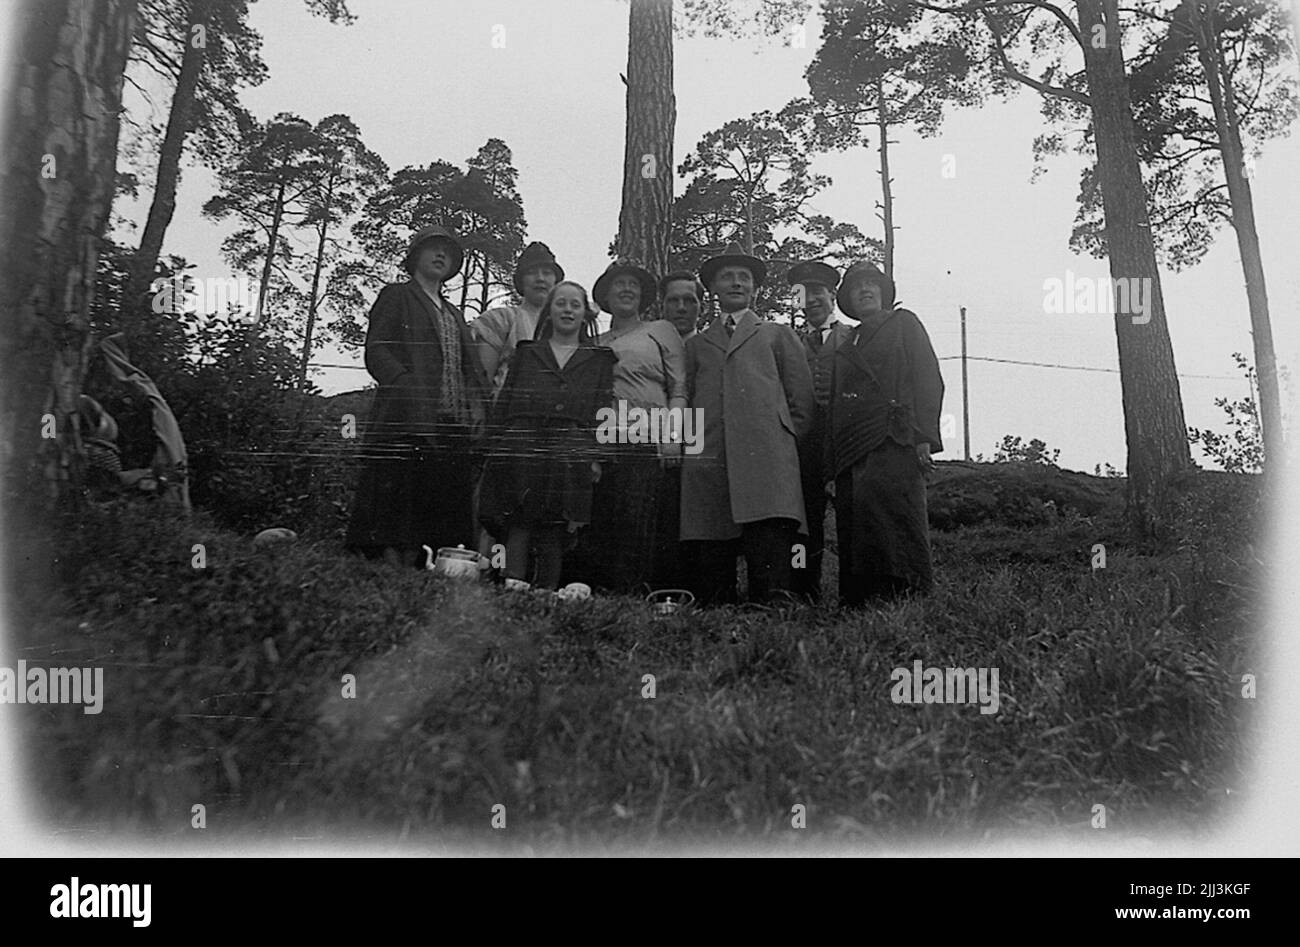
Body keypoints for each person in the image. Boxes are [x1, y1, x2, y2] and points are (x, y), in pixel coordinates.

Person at [679, 243, 815, 605]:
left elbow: (801, 400)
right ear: (713, 289)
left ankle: (771, 609)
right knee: (711, 539)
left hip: (767, 456)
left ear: (755, 288)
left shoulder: (776, 334)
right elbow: (687, 396)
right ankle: (715, 610)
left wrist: (780, 440)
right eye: (727, 277)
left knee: (769, 538)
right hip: (709, 455)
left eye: (744, 278)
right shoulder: (697, 344)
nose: (736, 283)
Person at [345, 225, 487, 568]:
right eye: (433, 249)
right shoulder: (397, 295)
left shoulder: (454, 313)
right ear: (415, 257)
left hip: (451, 424)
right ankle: (386, 564)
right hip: (406, 418)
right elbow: (377, 351)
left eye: (447, 252)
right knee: (397, 497)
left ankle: (428, 568)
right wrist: (404, 385)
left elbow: (469, 367)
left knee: (443, 502)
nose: (441, 255)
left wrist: (478, 406)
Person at [478, 282, 615, 591]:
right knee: (519, 518)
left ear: (585, 314)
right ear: (550, 312)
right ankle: (513, 586)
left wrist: (595, 455)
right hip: (522, 443)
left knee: (556, 522)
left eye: (575, 305)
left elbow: (602, 408)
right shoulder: (527, 353)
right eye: (561, 304)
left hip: (570, 448)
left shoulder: (599, 359)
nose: (567, 310)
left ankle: (546, 592)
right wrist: (494, 446)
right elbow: (507, 401)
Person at [826, 262, 944, 605]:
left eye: (871, 284)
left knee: (895, 517)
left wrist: (924, 435)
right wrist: (831, 466)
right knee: (857, 523)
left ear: (883, 292)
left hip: (895, 436)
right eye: (856, 286)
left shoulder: (904, 323)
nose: (864, 290)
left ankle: (907, 595)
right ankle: (862, 603)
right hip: (851, 447)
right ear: (847, 298)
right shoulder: (847, 344)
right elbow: (835, 405)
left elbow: (928, 377)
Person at [572, 259, 688, 594]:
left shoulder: (662, 330)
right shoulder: (595, 342)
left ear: (642, 295)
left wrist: (673, 437)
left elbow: (679, 387)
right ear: (606, 295)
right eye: (618, 284)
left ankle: (634, 594)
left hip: (648, 436)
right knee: (602, 517)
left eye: (633, 285)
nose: (626, 289)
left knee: (639, 518)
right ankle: (599, 594)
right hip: (604, 438)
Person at [788, 261, 852, 603]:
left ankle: (855, 593)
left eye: (817, 292)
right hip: (804, 443)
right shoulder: (790, 340)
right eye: (802, 293)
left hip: (844, 438)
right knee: (804, 521)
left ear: (831, 295)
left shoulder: (852, 338)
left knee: (850, 516)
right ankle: (805, 588)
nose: (810, 300)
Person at [471, 241, 565, 397]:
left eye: (547, 273)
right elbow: (482, 382)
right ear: (521, 280)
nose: (540, 278)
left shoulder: (567, 328)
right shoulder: (501, 320)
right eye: (532, 272)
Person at [660, 269, 704, 341]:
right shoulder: (646, 349)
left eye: (689, 300)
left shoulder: (715, 350)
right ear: (662, 307)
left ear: (701, 309)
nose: (681, 307)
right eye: (673, 300)